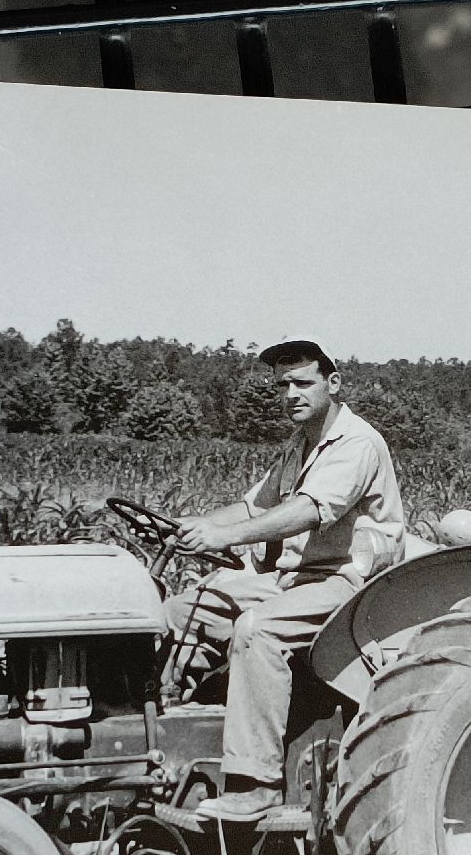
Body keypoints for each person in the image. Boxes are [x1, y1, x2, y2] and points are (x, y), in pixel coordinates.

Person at [163, 338, 405, 821]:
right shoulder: (300, 443)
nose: (290, 393)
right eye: (283, 385)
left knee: (259, 631)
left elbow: (306, 511)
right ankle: (166, 713)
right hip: (292, 579)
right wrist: (193, 525)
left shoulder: (356, 443)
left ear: (332, 384)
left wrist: (223, 536)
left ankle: (255, 783)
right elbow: (257, 507)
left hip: (345, 586)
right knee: (186, 606)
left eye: (302, 382)